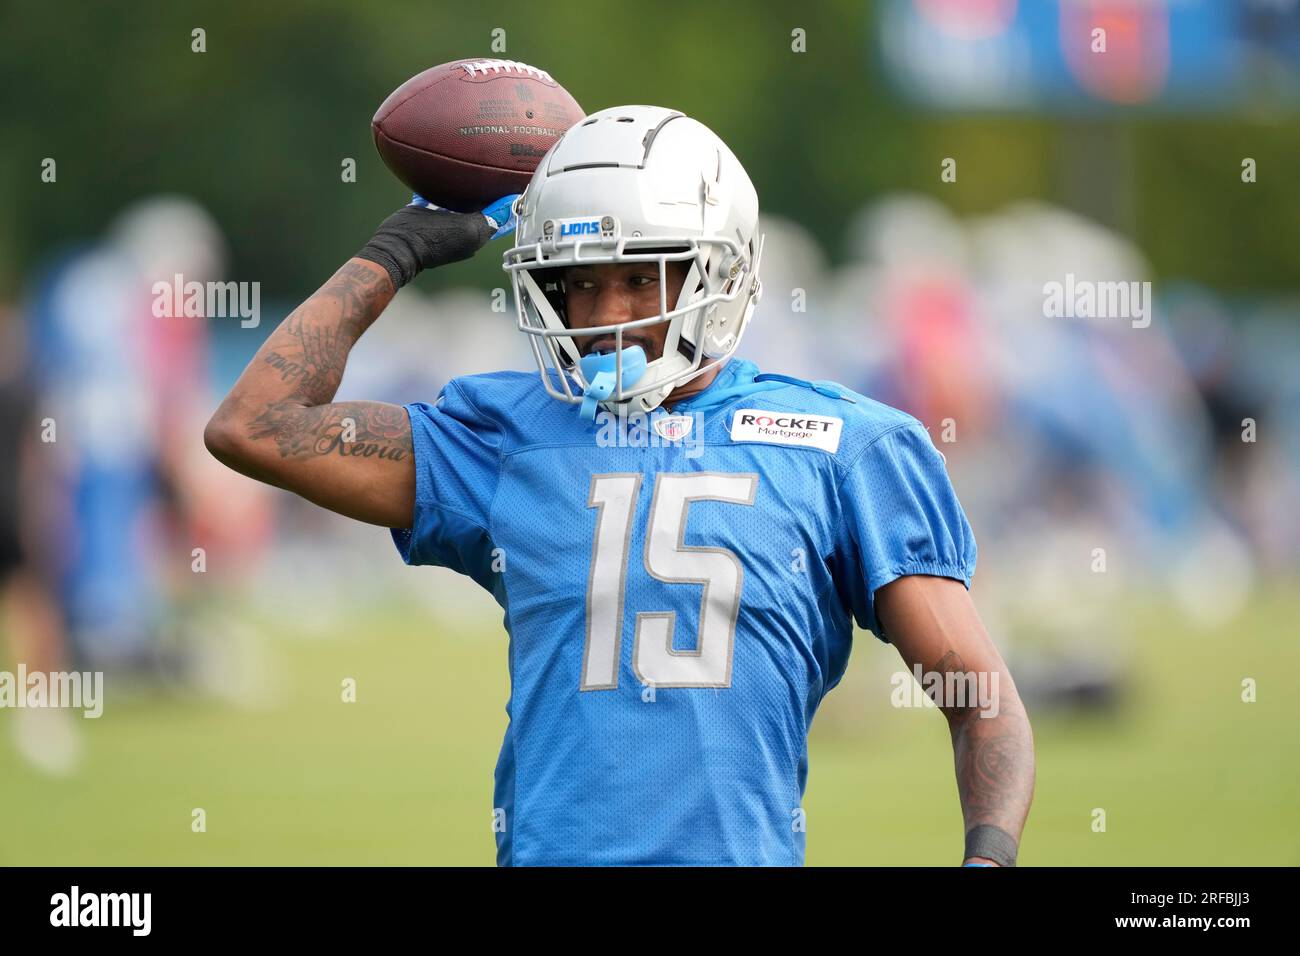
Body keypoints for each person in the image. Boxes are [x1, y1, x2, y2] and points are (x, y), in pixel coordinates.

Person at [205, 105, 1034, 866]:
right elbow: (254, 427)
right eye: (581, 283)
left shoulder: (844, 447)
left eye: (642, 278)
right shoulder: (505, 437)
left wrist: (987, 861)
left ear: (719, 272)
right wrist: (394, 253)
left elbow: (978, 697)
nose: (607, 315)